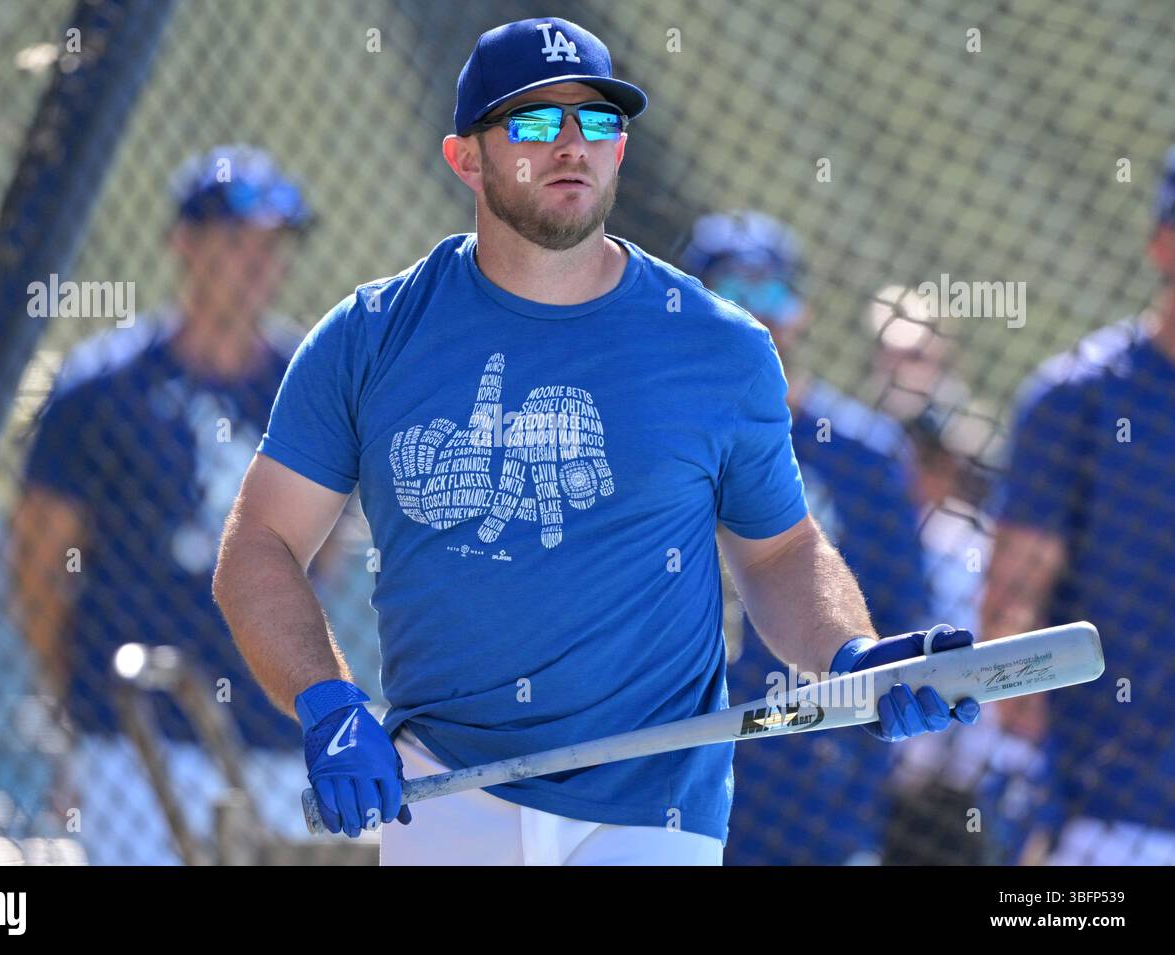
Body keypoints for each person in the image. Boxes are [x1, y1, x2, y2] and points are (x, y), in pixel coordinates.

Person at [214, 16, 979, 867]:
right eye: (535, 122)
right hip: (442, 791)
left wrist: (854, 655)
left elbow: (778, 554)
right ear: (465, 157)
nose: (572, 143)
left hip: (653, 812)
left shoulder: (719, 344)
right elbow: (261, 543)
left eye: (599, 121)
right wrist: (327, 701)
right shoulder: (369, 336)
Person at [10, 145, 356, 865]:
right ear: (182, 244)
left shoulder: (306, 386)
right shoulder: (97, 391)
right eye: (236, 242)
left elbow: (321, 553)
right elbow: (39, 568)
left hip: (274, 728)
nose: (259, 263)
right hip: (134, 733)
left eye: (275, 245)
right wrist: (78, 706)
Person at [680, 212, 930, 864]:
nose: (757, 319)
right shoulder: (658, 452)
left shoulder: (864, 455)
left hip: (824, 797)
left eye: (772, 295)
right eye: (731, 296)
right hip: (680, 791)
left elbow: (902, 612)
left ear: (804, 309)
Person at [982, 146, 1175, 865]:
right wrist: (1031, 772)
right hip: (1105, 825)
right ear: (1161, 241)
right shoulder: (1082, 401)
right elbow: (1009, 615)